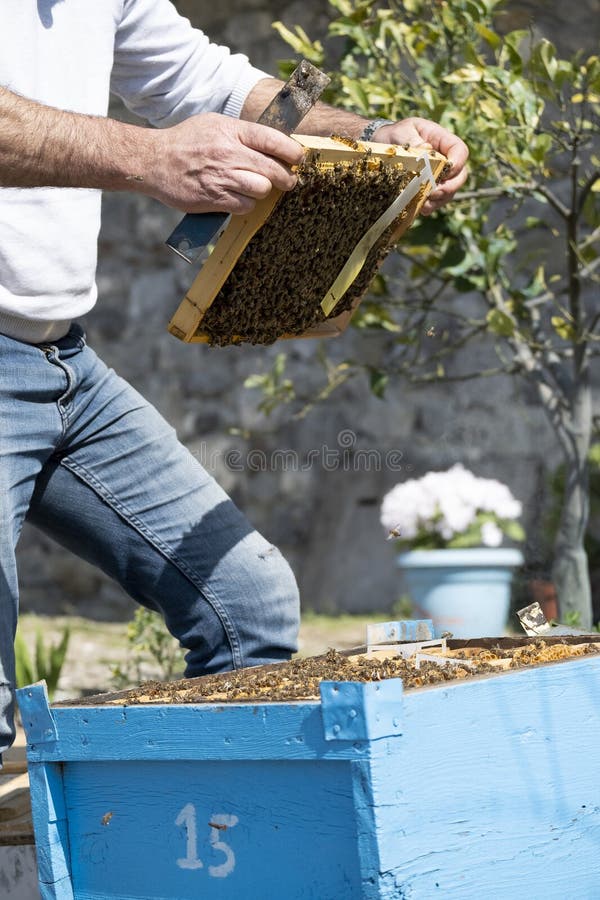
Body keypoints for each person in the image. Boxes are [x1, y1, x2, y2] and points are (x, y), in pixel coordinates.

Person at [0, 0, 468, 759]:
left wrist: (372, 137)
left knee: (246, 608)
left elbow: (200, 77)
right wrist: (148, 158)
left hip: (60, 362)